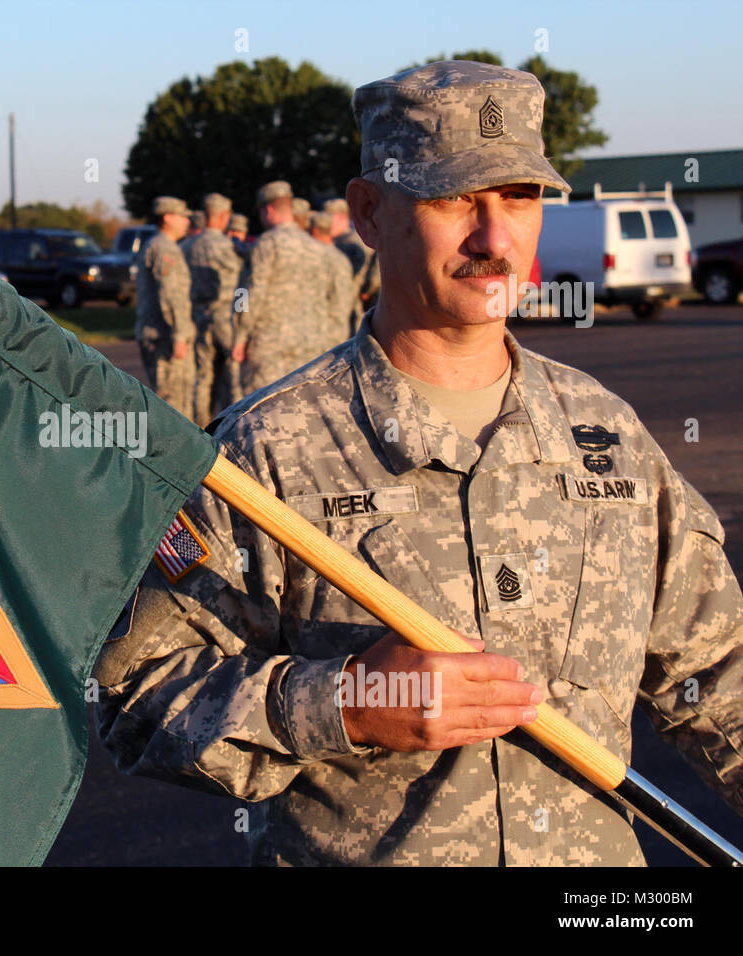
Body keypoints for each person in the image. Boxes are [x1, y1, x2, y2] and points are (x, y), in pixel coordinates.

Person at [94, 60, 743, 866]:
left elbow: (720, 676)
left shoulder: (604, 434)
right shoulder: (265, 453)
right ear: (369, 211)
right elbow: (136, 696)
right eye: (453, 199)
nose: (495, 237)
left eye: (519, 197)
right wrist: (348, 705)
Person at [232, 180, 332, 396]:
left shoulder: (266, 244)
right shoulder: (317, 249)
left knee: (262, 418)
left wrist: (239, 335)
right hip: (310, 348)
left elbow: (249, 293)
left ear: (268, 210)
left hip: (270, 349)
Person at [185, 193, 244, 424]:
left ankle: (201, 426)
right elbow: (243, 282)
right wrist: (243, 312)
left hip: (199, 316)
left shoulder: (189, 246)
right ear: (223, 216)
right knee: (233, 376)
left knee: (203, 376)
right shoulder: (227, 247)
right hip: (225, 317)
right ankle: (235, 426)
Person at [134, 196, 194, 416]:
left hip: (162, 334)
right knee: (174, 409)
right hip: (164, 337)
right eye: (183, 217)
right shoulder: (164, 248)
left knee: (176, 405)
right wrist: (179, 335)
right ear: (168, 218)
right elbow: (171, 295)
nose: (188, 221)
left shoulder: (160, 245)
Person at [325, 196, 379, 331]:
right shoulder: (339, 241)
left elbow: (366, 274)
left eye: (329, 218)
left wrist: (367, 289)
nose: (325, 223)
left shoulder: (353, 243)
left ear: (341, 218)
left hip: (352, 306)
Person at [308, 210, 356, 344]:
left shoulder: (312, 257)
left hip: (320, 333)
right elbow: (343, 301)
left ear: (314, 231)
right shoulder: (340, 259)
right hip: (334, 332)